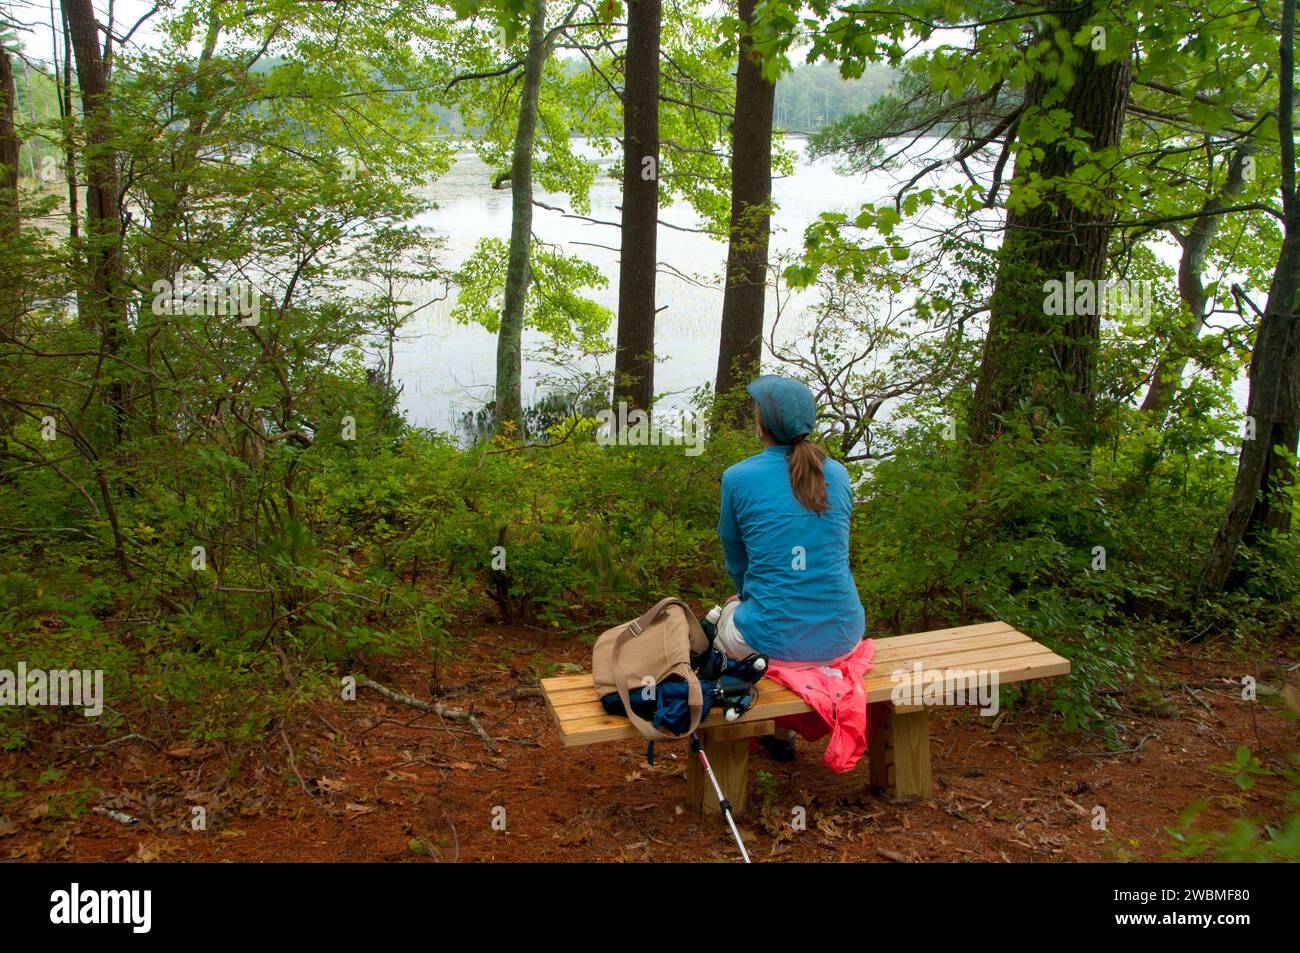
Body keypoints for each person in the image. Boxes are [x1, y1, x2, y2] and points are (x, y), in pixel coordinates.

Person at [715, 374, 867, 761]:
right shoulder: (838, 473)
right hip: (842, 635)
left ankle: (755, 735)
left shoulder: (738, 477)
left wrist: (745, 595)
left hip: (772, 641)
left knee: (721, 623)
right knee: (777, 608)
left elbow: (736, 556)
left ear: (762, 424)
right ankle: (781, 734)